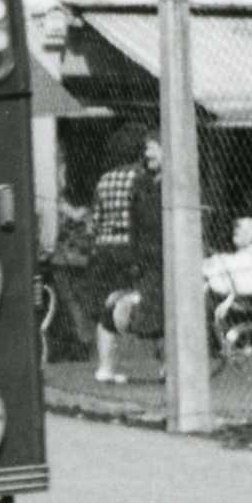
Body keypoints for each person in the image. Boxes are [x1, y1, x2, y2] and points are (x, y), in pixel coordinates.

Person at [89, 127, 163, 386]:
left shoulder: (104, 179)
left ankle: (105, 366)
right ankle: (166, 364)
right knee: (149, 301)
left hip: (105, 248)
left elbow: (95, 219)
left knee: (107, 307)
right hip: (131, 249)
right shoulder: (142, 179)